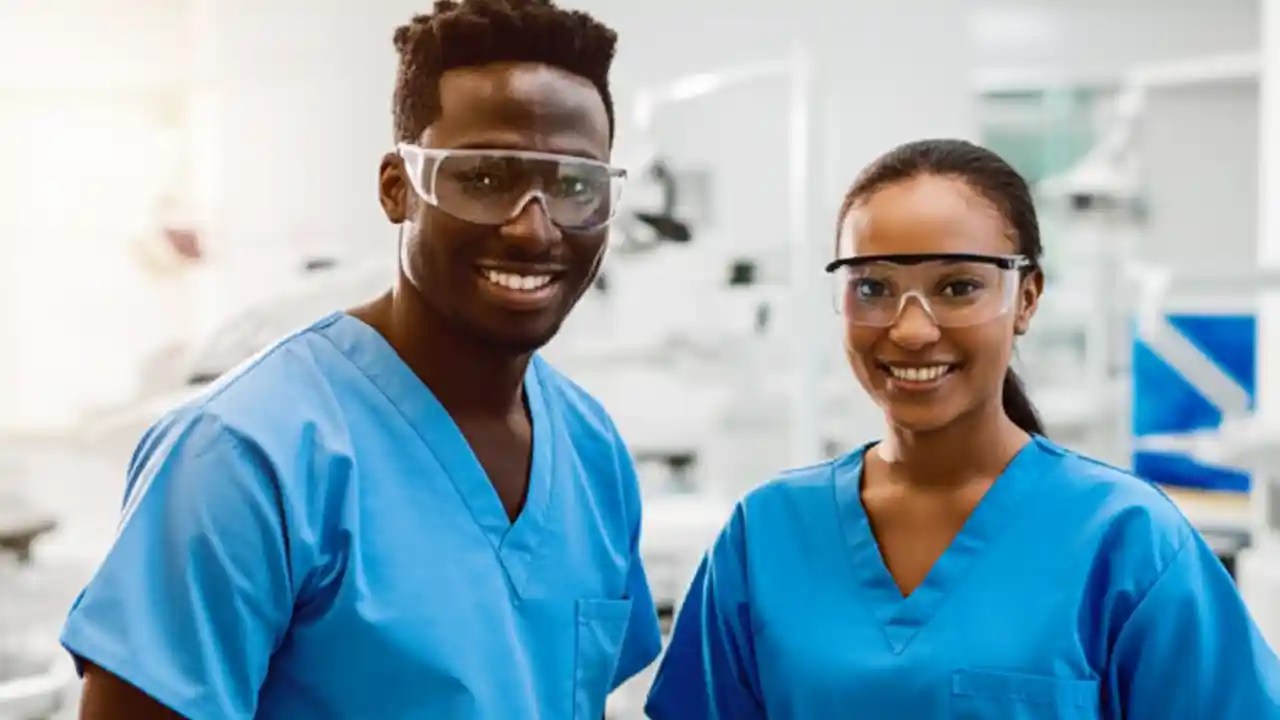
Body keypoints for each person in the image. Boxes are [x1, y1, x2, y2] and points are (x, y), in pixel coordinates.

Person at [60, 1, 662, 717]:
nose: (534, 230)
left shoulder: (592, 454)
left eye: (573, 186)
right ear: (396, 188)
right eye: (484, 177)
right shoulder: (245, 456)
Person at [644, 138, 1280, 719]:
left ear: (1026, 297)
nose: (911, 329)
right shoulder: (768, 534)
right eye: (873, 287)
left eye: (956, 286)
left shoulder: (1126, 539)